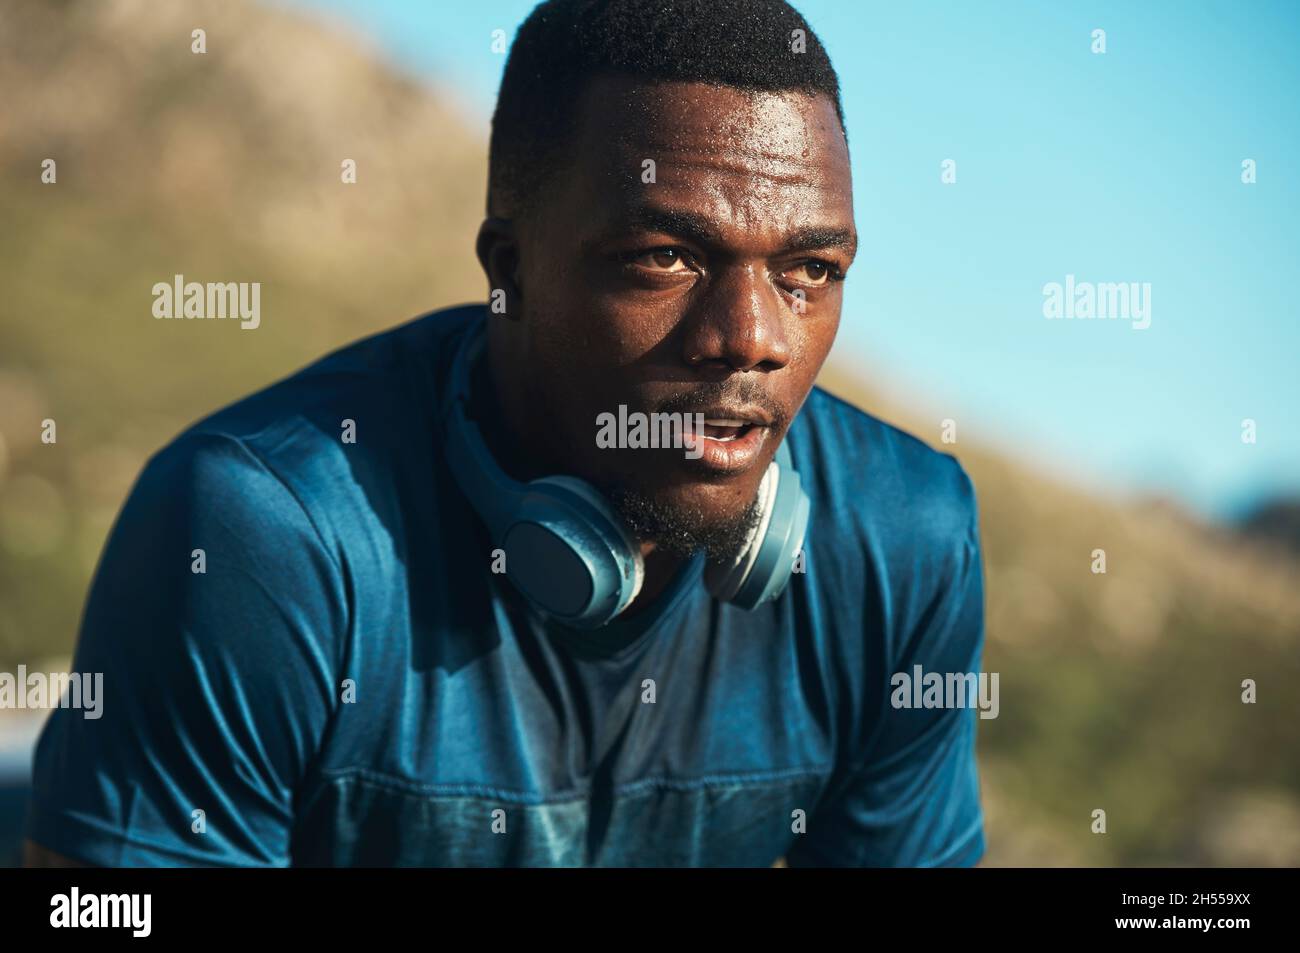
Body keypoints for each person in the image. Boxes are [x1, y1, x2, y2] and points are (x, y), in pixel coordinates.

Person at [26, 0, 986, 867]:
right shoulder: (267, 533)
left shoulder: (904, 540)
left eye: (809, 269)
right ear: (510, 271)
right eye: (665, 257)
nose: (752, 338)